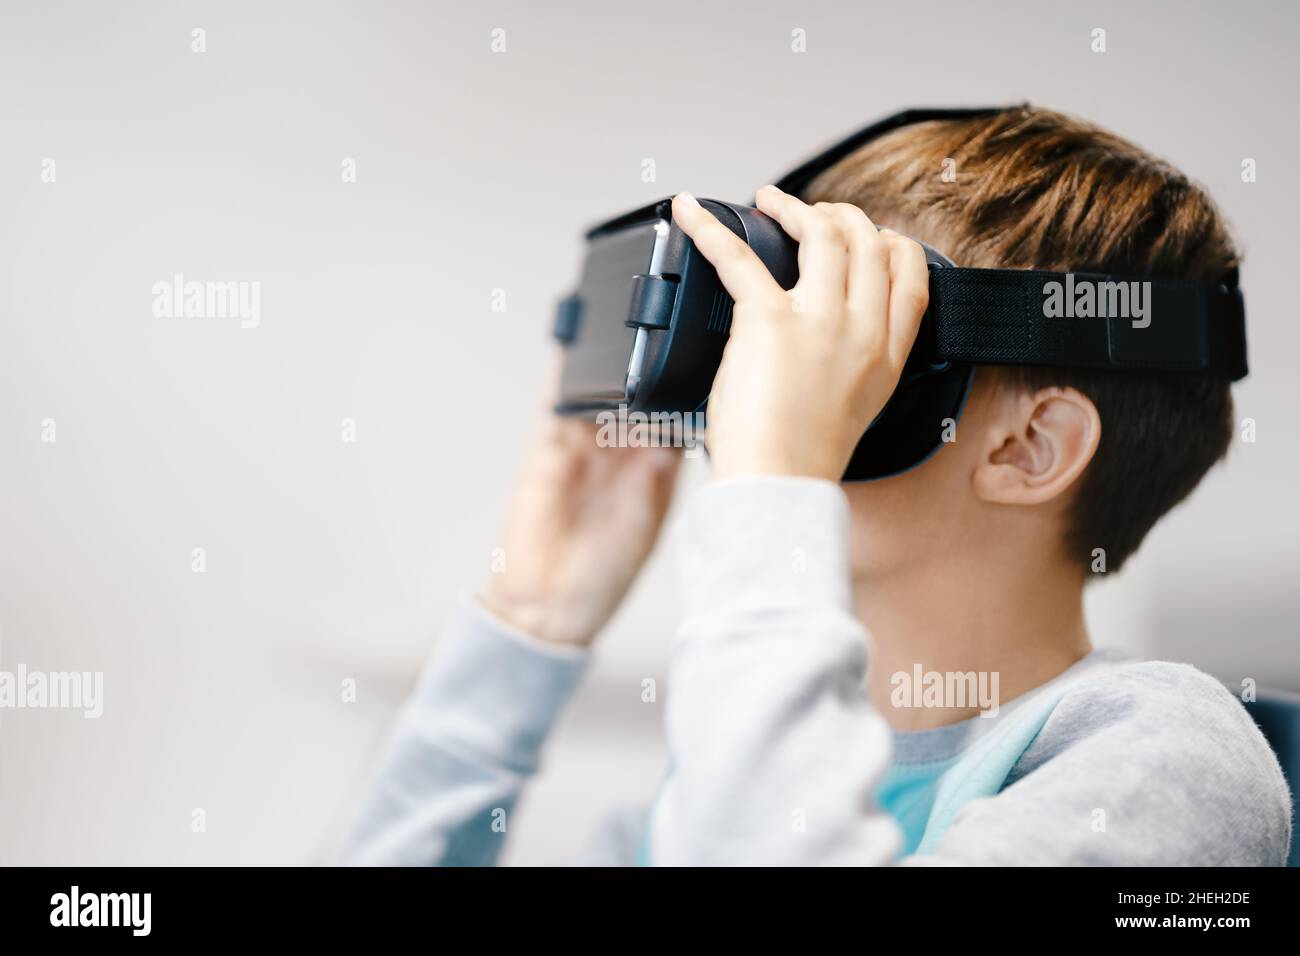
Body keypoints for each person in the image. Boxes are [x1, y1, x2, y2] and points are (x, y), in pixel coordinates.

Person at [341, 106, 1291, 865]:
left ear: (1029, 448)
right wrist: (530, 622)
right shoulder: (739, 768)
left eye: (853, 344)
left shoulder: (1171, 760)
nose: (768, 379)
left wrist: (771, 487)